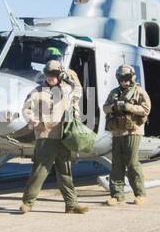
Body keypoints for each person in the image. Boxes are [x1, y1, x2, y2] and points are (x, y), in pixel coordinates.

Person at [19, 59, 89, 215]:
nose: (51, 77)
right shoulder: (37, 91)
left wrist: (70, 74)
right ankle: (27, 203)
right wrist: (31, 118)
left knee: (65, 171)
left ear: (60, 75)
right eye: (49, 74)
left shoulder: (67, 90)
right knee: (40, 170)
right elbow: (26, 109)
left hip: (63, 135)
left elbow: (78, 89)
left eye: (55, 74)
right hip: (45, 135)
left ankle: (71, 204)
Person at [102, 64, 152, 205]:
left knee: (132, 162)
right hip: (118, 132)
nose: (125, 81)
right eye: (122, 79)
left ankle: (140, 193)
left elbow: (146, 109)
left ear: (132, 78)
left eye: (127, 79)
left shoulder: (138, 92)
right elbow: (105, 108)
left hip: (133, 131)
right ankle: (117, 195)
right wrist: (113, 107)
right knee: (117, 163)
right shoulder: (114, 93)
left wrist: (128, 107)